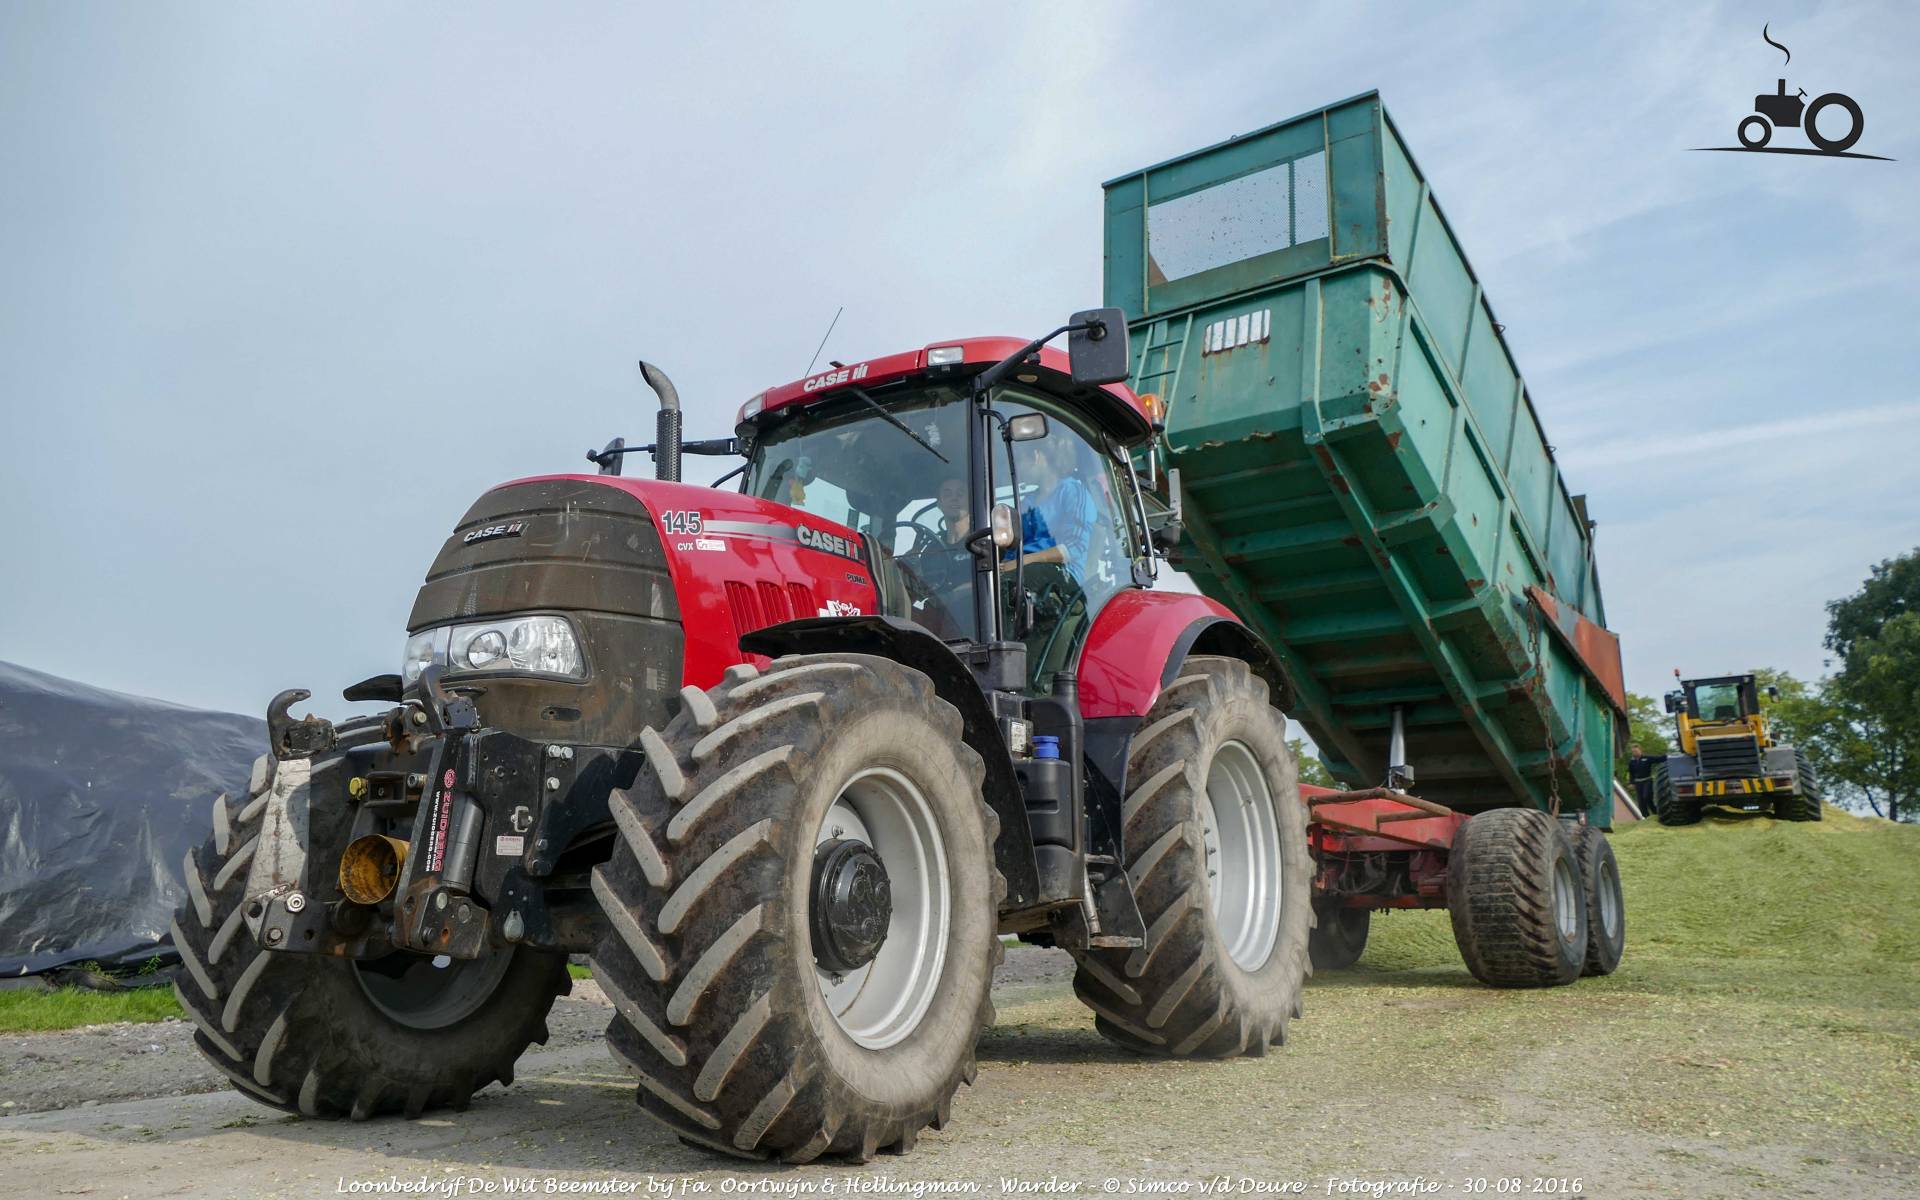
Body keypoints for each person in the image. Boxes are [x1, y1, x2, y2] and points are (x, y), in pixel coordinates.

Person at [1003, 435, 1097, 585]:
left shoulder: (1073, 492)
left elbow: (1074, 547)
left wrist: (1022, 562)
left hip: (1061, 581)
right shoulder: (1026, 503)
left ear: (1035, 456)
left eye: (1019, 460)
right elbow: (1011, 552)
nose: (1016, 468)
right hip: (1021, 579)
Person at [935, 477, 971, 545]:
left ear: (970, 501)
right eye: (947, 495)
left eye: (960, 493)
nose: (954, 498)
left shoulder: (981, 541)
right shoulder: (933, 548)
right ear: (939, 504)